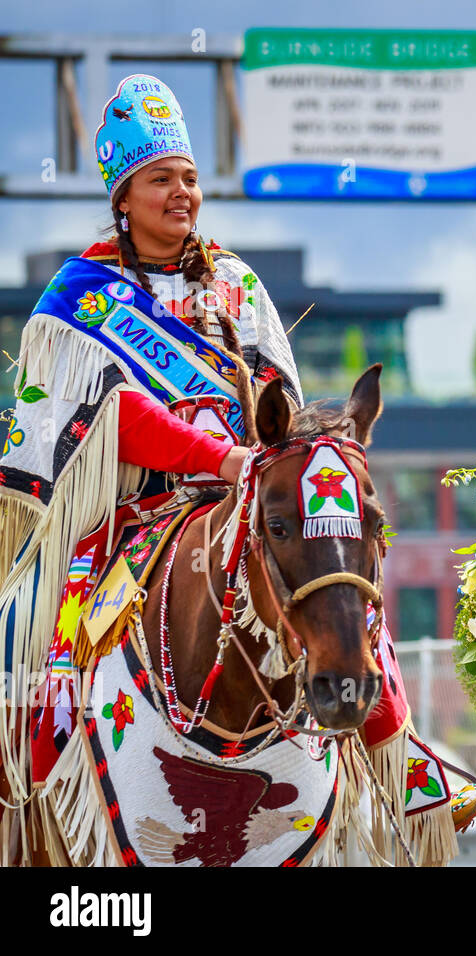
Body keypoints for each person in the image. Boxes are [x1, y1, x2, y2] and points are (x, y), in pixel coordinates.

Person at [0, 73, 301, 806]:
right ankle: (24, 787)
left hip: (245, 502)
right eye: (161, 178)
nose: (182, 193)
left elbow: (281, 395)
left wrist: (272, 450)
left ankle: (398, 762)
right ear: (123, 197)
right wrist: (217, 457)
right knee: (17, 624)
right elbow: (111, 417)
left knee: (336, 578)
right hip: (125, 511)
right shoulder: (78, 297)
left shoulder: (237, 281)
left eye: (190, 178)